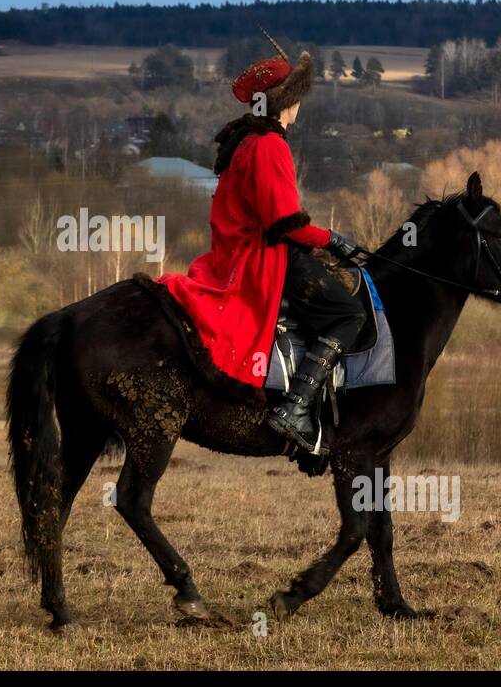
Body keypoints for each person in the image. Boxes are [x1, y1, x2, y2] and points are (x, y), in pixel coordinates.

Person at [156, 35, 364, 453]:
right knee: (348, 314)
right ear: (287, 101)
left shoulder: (247, 141)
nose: (300, 106)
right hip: (262, 259)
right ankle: (296, 408)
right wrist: (335, 240)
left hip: (236, 253)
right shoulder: (270, 146)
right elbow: (285, 223)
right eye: (298, 97)